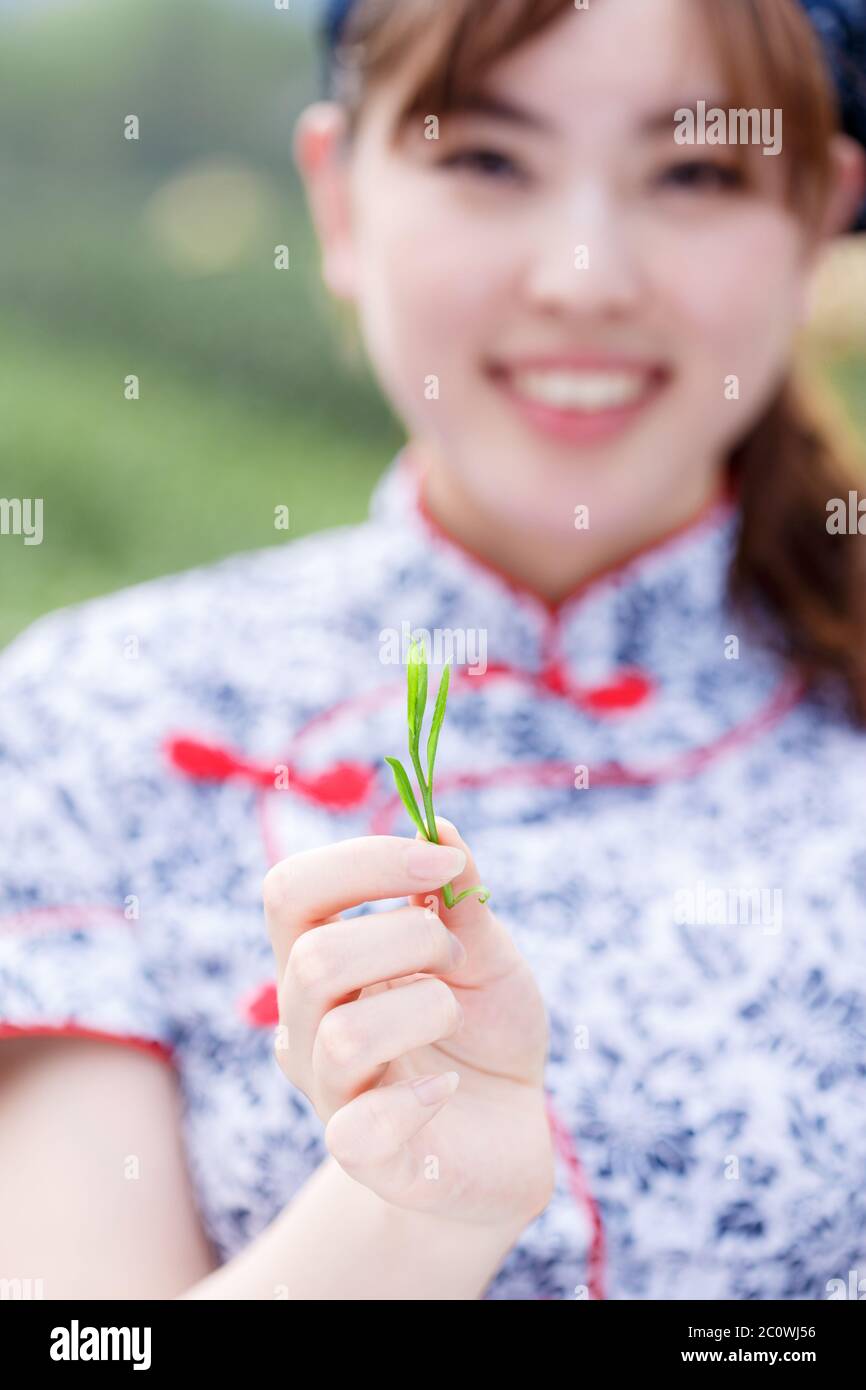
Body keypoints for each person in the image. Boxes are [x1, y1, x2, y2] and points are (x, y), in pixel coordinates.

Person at [2, 0, 866, 1301]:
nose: (582, 275)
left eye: (693, 170)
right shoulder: (101, 716)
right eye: (485, 159)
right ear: (339, 201)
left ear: (817, 218)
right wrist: (402, 1224)